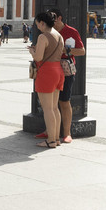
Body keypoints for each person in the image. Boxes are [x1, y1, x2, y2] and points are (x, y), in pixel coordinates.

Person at [29, 10, 66, 148]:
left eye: (37, 23)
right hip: (58, 71)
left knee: (47, 109)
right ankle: (56, 138)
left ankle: (50, 140)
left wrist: (32, 51)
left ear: (42, 23)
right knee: (55, 108)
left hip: (47, 72)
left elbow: (38, 57)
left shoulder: (43, 37)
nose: (37, 26)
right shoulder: (59, 35)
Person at [51, 11, 86, 144]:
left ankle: (67, 133)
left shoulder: (71, 31)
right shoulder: (48, 31)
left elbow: (82, 51)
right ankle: (50, 131)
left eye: (52, 18)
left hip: (65, 69)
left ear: (59, 18)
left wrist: (66, 50)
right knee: (49, 103)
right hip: (50, 69)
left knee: (64, 101)